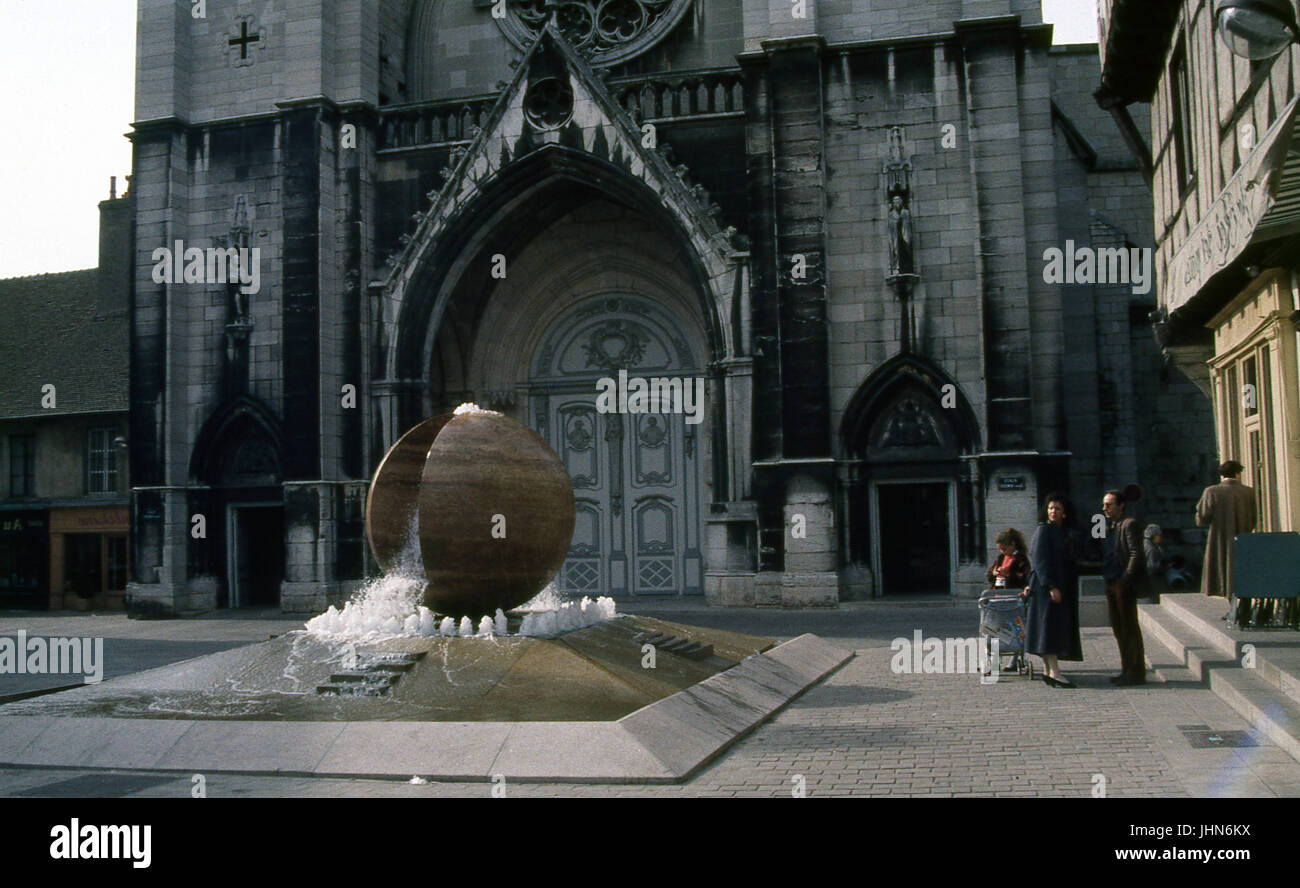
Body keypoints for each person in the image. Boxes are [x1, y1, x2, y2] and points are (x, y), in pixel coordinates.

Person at [1026, 494, 1082, 687]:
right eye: (1051, 508)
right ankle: (1055, 672)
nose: (1053, 512)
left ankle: (1048, 671)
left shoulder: (1062, 531)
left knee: (1049, 629)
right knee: (1049, 629)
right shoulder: (1044, 530)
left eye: (1057, 508)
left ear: (1064, 512)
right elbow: (1040, 561)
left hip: (1057, 586)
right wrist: (1051, 586)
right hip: (1046, 590)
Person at [1195, 460, 1257, 623]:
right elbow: (1253, 518)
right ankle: (1243, 607)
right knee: (1243, 571)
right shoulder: (1248, 492)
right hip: (1244, 540)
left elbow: (1202, 518)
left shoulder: (1212, 491)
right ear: (1237, 473)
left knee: (1224, 571)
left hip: (1220, 539)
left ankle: (1233, 608)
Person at [1102, 489, 1147, 686]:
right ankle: (1126, 669)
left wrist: (1126, 579)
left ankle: (1135, 672)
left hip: (1122, 583)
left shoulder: (1129, 524)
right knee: (1119, 628)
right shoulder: (1111, 526)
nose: (1105, 508)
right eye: (1104, 505)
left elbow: (1136, 554)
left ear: (1121, 505)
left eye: (1109, 504)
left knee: (1129, 628)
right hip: (1111, 582)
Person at [986, 528, 1030, 592]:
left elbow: (1025, 578)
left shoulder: (1021, 559)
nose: (1002, 552)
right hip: (998, 591)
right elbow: (989, 575)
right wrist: (994, 573)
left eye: (1004, 549)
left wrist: (1007, 575)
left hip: (1013, 592)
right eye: (1000, 549)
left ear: (1012, 544)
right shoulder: (1000, 558)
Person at [1143, 524, 1167, 603]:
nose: (1161, 538)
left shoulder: (1147, 544)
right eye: (1159, 535)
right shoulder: (1151, 549)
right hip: (1153, 580)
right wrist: (1166, 567)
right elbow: (1152, 567)